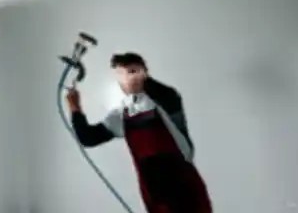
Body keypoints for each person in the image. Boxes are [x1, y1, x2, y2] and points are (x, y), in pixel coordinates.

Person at [66, 53, 212, 213]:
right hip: (153, 195)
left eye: (133, 71)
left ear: (145, 73)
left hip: (186, 190)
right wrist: (75, 108)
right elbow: (88, 138)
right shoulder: (122, 114)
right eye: (121, 74)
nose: (128, 78)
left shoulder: (166, 100)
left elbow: (163, 94)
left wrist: (140, 77)